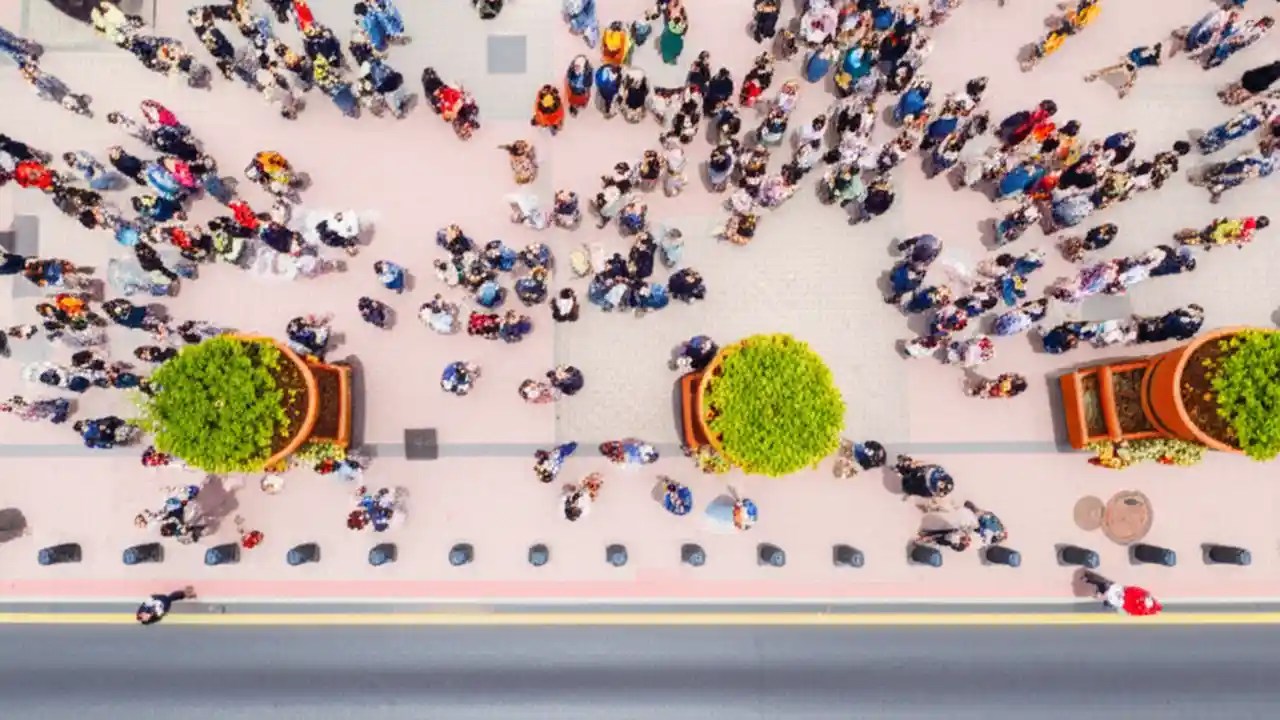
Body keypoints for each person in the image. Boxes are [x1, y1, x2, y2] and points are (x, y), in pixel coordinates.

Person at [1084, 43, 1162, 98]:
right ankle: (1094, 75)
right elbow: (1135, 53)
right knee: (1116, 70)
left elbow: (1141, 60)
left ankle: (1095, 75)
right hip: (1127, 66)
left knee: (1132, 69)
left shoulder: (1136, 62)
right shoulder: (1133, 59)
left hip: (1129, 68)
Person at [1081, 572, 1162, 616]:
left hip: (1121, 597)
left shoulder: (1145, 600)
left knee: (1105, 586)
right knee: (1106, 587)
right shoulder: (1144, 606)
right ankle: (1089, 579)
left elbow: (1136, 591)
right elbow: (1132, 609)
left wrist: (1126, 592)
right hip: (1121, 597)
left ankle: (1088, 579)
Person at [964, 373, 1029, 399]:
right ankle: (975, 389)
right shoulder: (1013, 380)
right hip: (997, 385)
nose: (1018, 381)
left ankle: (974, 392)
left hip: (997, 390)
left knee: (986, 388)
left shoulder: (1013, 391)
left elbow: (1005, 394)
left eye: (1020, 381)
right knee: (985, 383)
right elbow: (1004, 377)